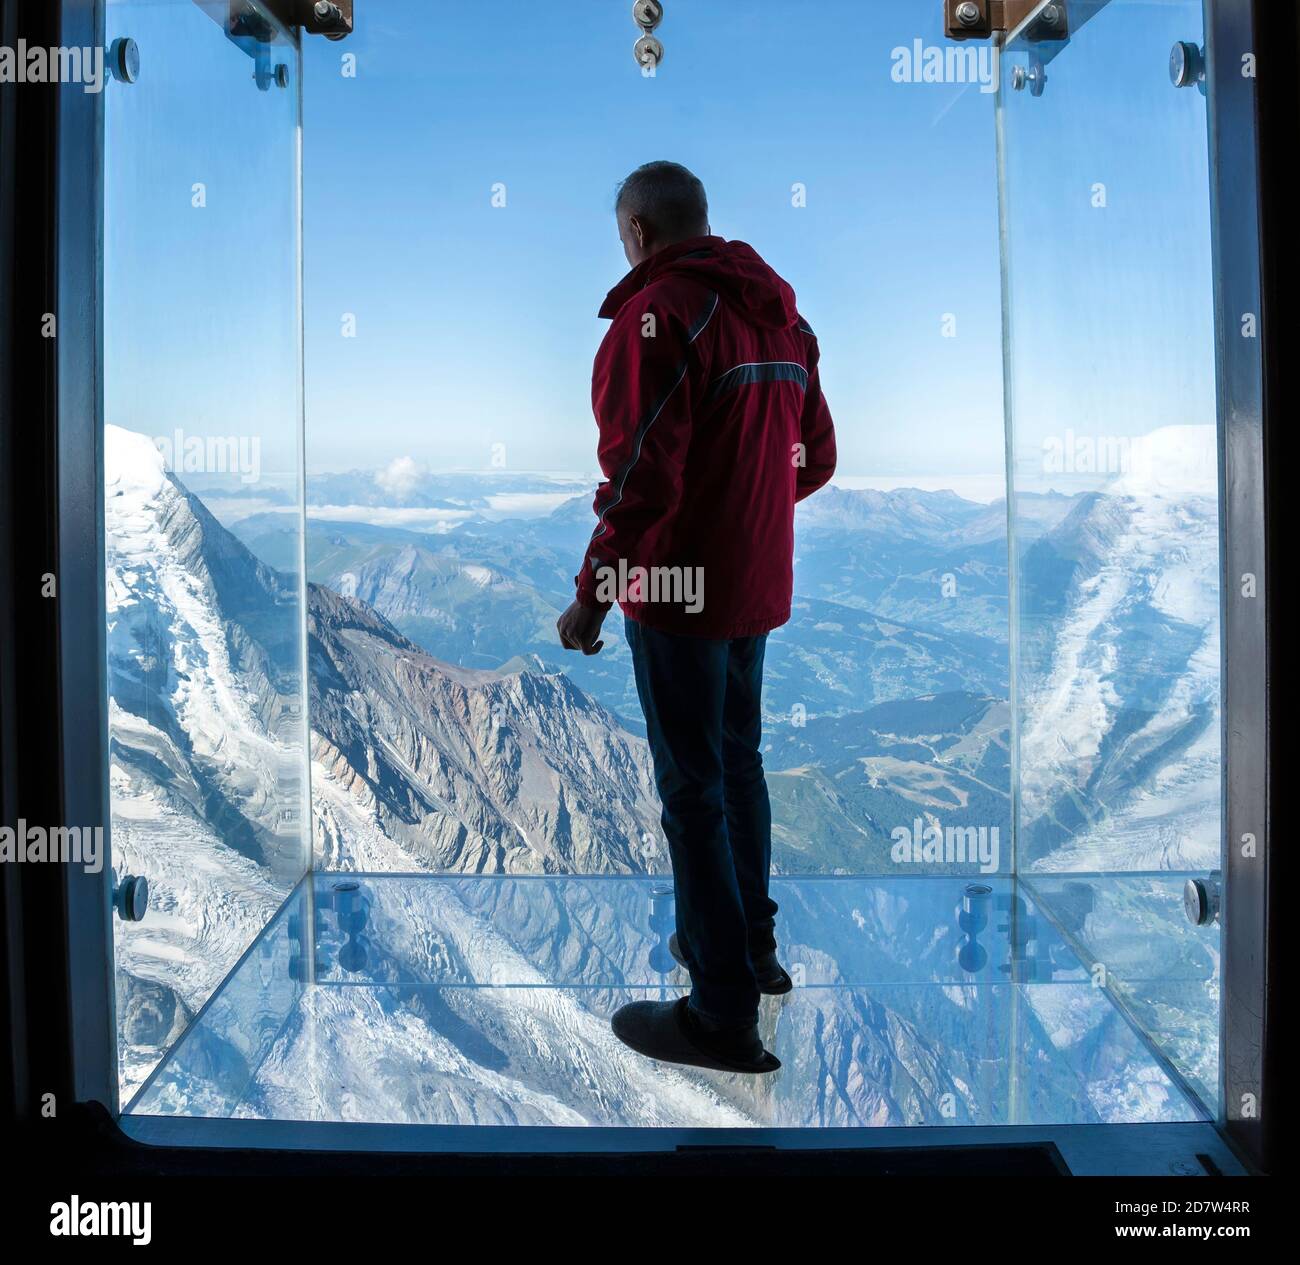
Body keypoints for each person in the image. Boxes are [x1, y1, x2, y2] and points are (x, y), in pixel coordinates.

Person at [556, 161, 836, 1075]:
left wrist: (594, 592)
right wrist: (748, 512)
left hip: (679, 595)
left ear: (635, 231)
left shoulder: (661, 315)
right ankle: (751, 949)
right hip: (754, 589)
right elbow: (815, 458)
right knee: (738, 766)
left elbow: (642, 480)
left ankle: (722, 1011)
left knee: (692, 792)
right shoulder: (781, 317)